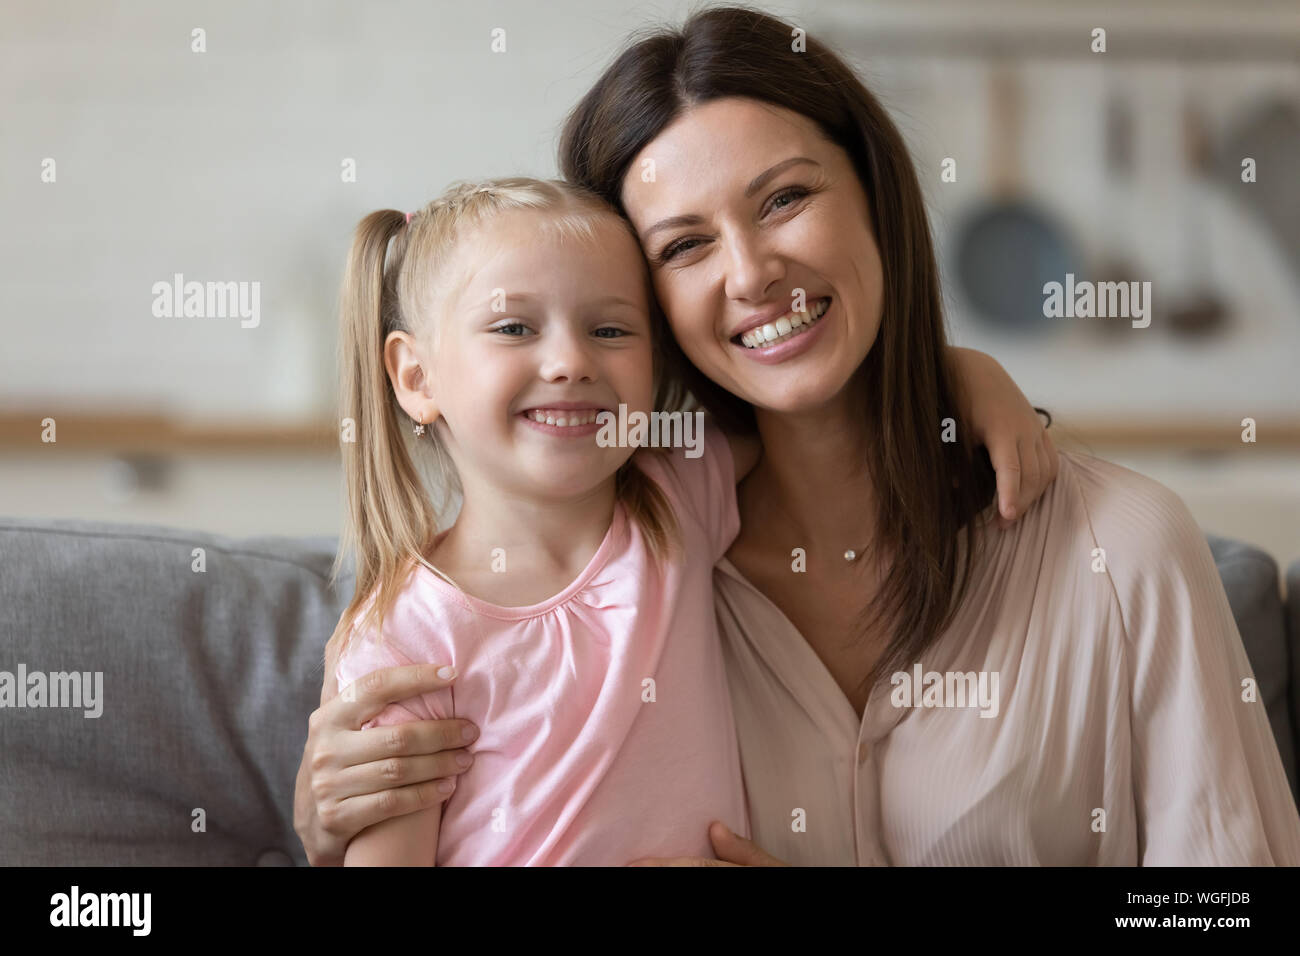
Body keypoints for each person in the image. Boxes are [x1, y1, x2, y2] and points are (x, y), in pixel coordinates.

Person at [297, 7, 1297, 866]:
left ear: (876, 197)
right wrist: (326, 808)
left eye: (785, 198)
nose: (749, 273)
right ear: (647, 307)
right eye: (684, 245)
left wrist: (947, 371)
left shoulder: (1121, 550)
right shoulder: (659, 556)